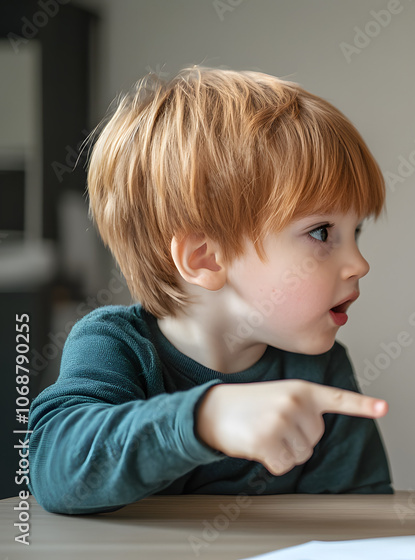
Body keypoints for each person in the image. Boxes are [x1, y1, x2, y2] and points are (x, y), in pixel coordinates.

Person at [28, 67, 392, 514]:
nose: (359, 264)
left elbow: (359, 524)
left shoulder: (322, 371)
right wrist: (207, 418)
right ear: (205, 259)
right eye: (322, 233)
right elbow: (55, 471)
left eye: (356, 231)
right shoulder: (114, 345)